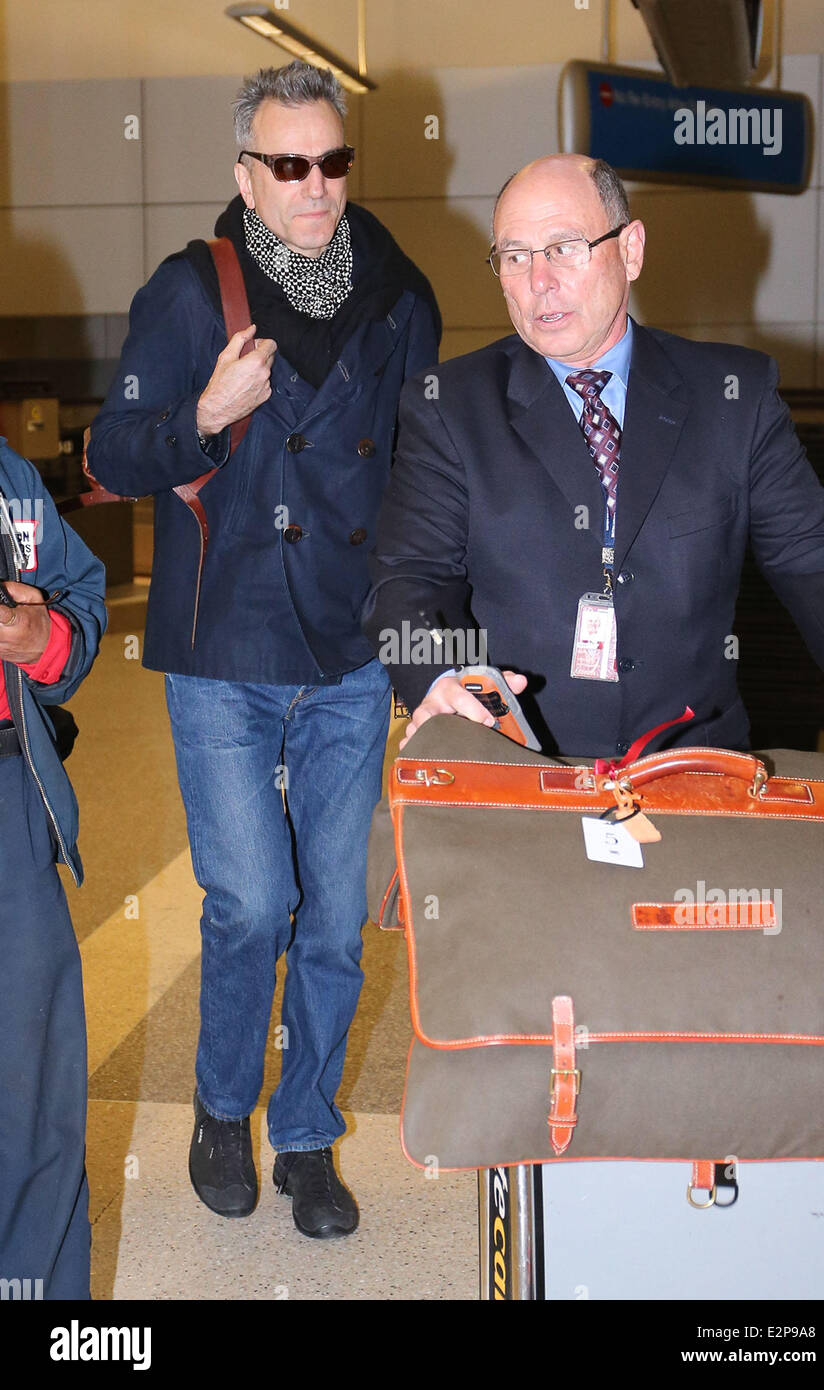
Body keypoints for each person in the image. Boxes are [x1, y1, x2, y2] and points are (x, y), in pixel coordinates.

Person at [87, 62, 440, 1238]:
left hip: (346, 654)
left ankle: (303, 1137)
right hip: (223, 648)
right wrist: (200, 416)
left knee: (333, 919)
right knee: (250, 904)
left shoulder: (399, 295)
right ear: (246, 174)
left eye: (332, 162)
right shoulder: (192, 292)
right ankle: (218, 1110)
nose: (315, 186)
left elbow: (424, 475)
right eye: (288, 165)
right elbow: (112, 450)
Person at [364, 154, 824, 752]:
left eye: (565, 247)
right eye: (515, 256)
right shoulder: (449, 405)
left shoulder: (733, 396)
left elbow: (811, 553)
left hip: (693, 767)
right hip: (520, 766)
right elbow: (410, 578)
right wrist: (440, 676)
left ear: (630, 250)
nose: (538, 280)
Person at [0, 442, 106, 1299]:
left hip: (8, 797)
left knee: (32, 1085)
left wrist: (44, 638)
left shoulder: (8, 479)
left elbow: (79, 596)